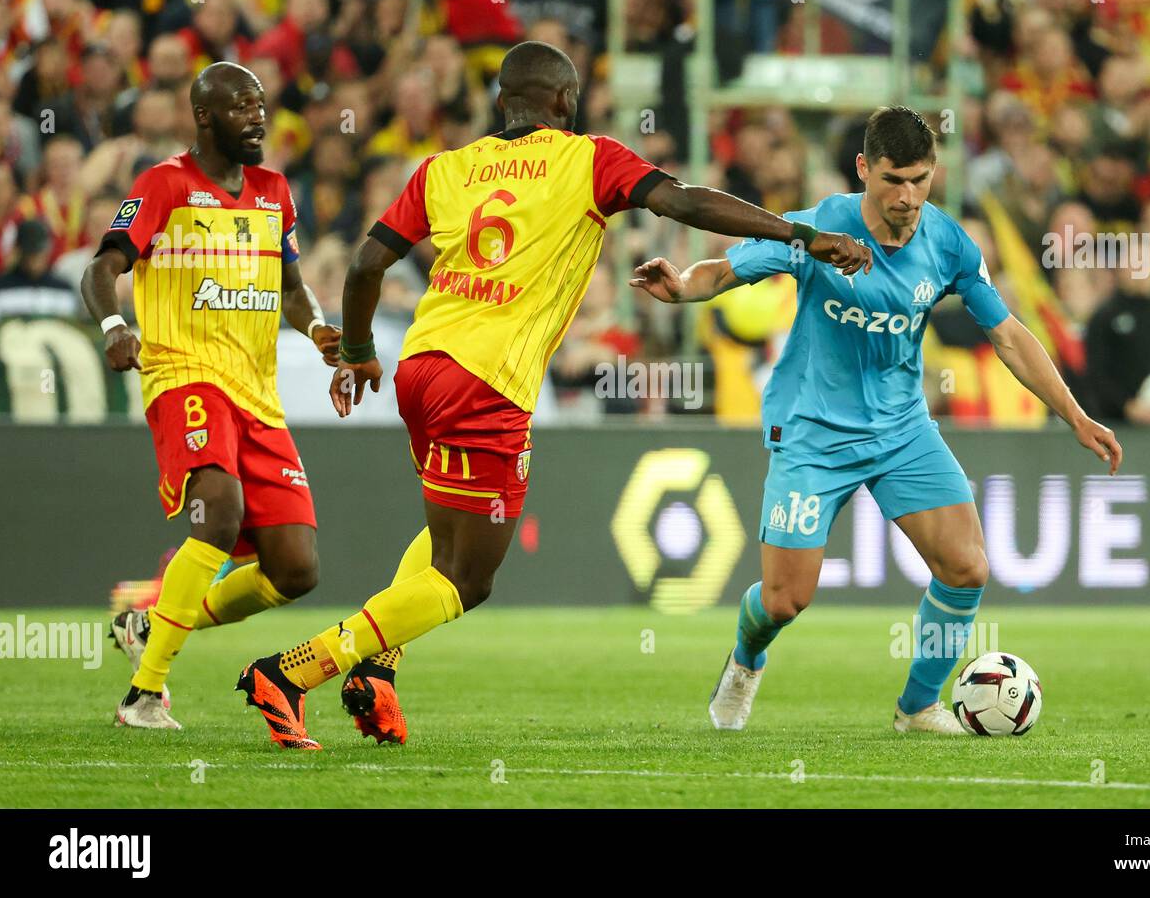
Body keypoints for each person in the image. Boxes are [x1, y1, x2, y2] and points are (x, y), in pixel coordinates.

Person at [236, 40, 870, 749]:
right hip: (486, 382)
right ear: (566, 104)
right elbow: (685, 202)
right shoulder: (587, 158)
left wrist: (356, 352)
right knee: (469, 579)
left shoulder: (446, 169)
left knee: (446, 539)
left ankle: (377, 671)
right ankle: (292, 671)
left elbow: (364, 266)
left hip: (420, 366)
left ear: (501, 103)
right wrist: (798, 234)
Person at [630, 106, 1124, 734]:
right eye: (894, 179)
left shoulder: (949, 245)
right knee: (784, 601)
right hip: (812, 430)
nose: (908, 196)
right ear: (864, 168)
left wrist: (1075, 417)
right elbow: (725, 271)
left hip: (901, 431)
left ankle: (917, 707)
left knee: (966, 566)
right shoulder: (817, 229)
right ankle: (745, 661)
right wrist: (682, 285)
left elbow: (1008, 336)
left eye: (921, 179)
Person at [80, 62, 341, 730]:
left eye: (261, 105)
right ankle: (144, 695)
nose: (258, 117)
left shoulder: (274, 191)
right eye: (241, 106)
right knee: (218, 512)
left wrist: (315, 327)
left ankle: (150, 620)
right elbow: (103, 265)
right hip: (183, 374)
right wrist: (114, 326)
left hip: (258, 394)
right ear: (205, 117)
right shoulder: (163, 184)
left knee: (295, 569)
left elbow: (289, 284)